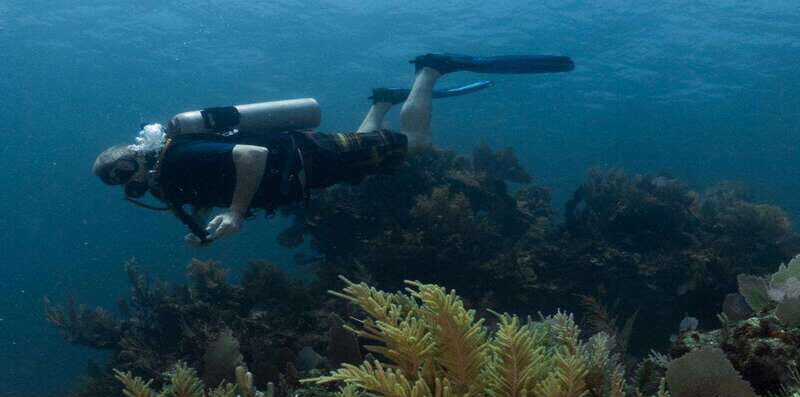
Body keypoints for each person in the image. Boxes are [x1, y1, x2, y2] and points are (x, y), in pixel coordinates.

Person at [93, 53, 574, 244]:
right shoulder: (173, 177)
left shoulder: (177, 158)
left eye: (123, 172)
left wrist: (237, 214)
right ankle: (384, 103)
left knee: (419, 147)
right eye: (118, 182)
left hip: (309, 157)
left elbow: (250, 156)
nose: (127, 183)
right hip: (312, 169)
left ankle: (430, 69)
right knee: (372, 147)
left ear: (136, 157)